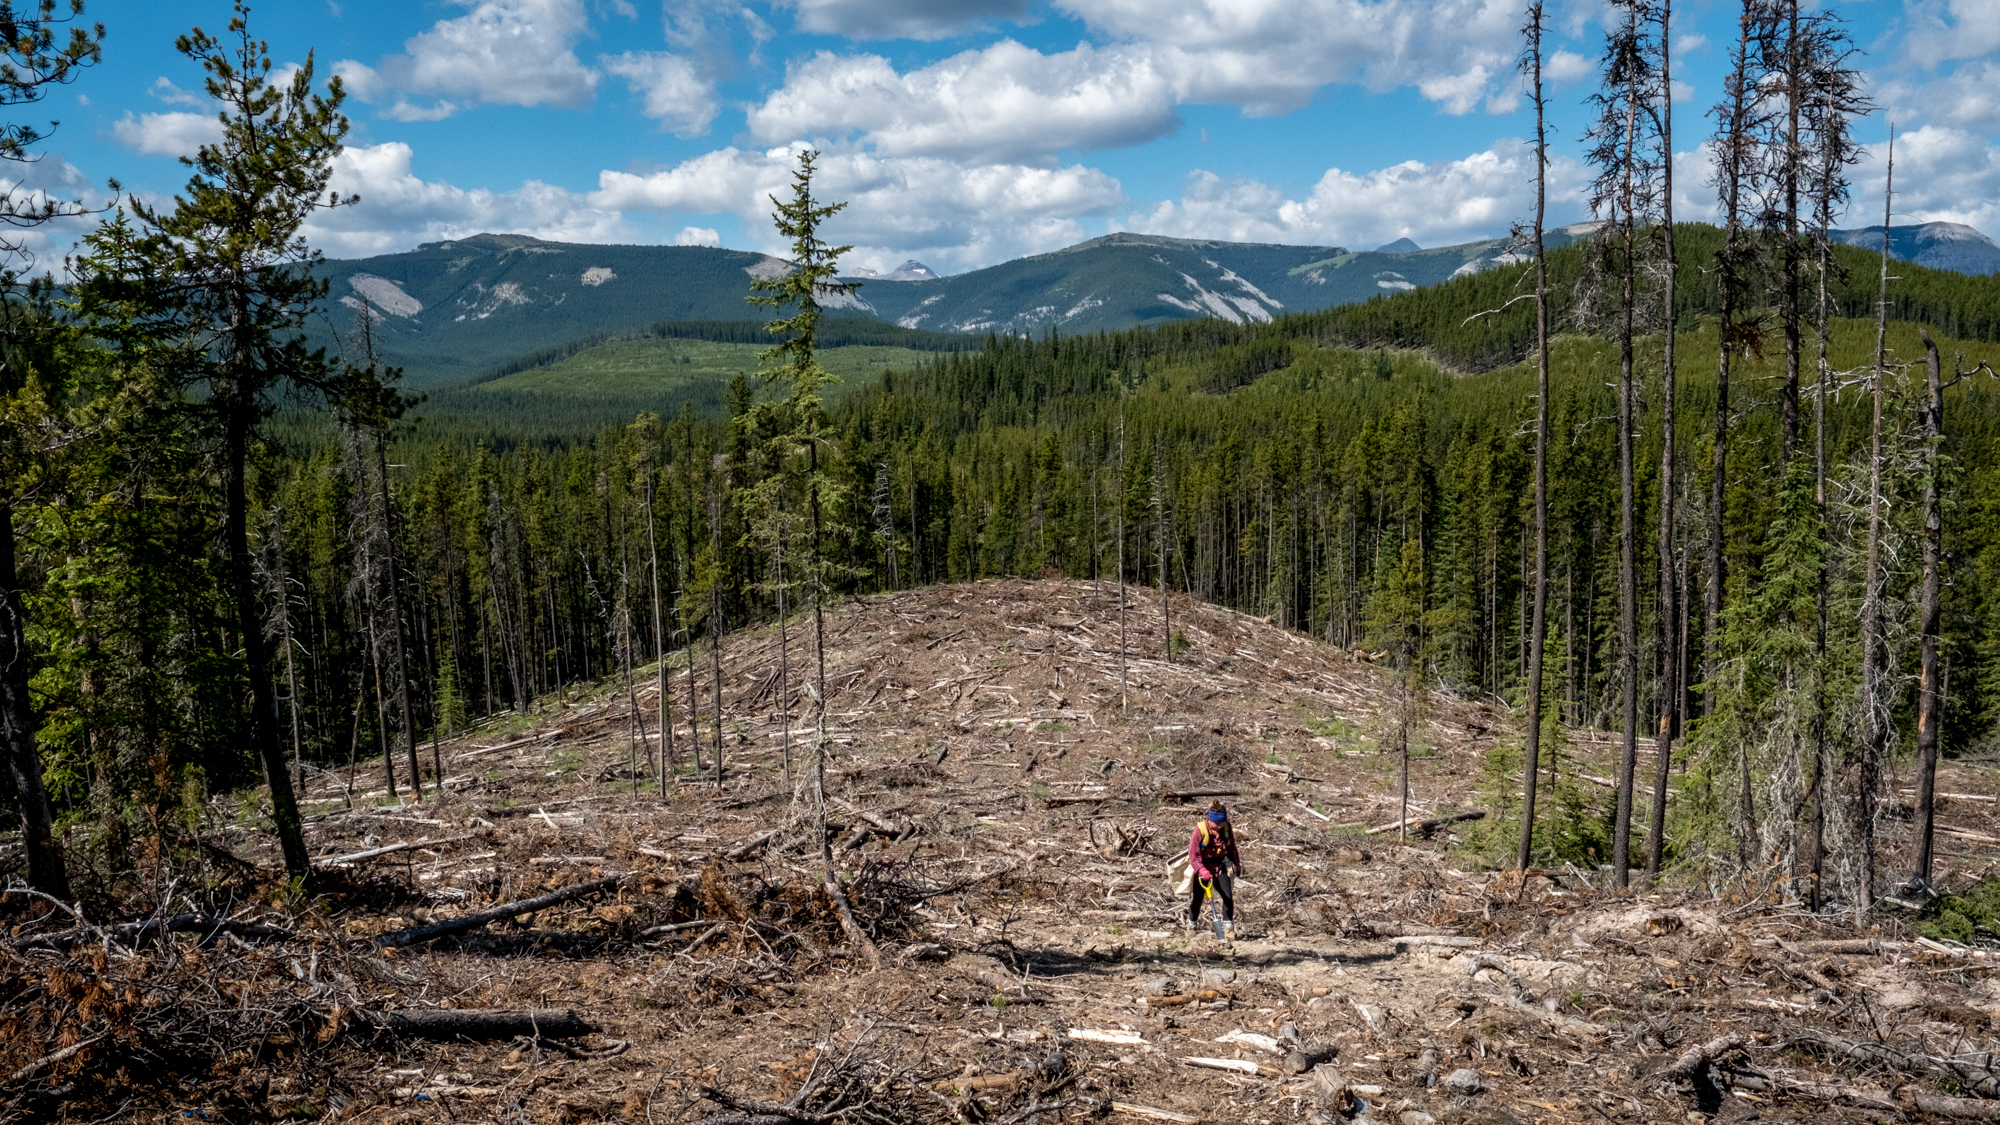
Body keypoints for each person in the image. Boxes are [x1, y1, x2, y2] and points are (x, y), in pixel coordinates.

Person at [1188, 800, 1242, 937]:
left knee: (1228, 897)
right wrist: (1202, 870)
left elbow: (1232, 848)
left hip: (1221, 865)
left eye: (1221, 823)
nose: (1219, 826)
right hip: (1203, 867)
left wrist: (1237, 864)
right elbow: (1193, 855)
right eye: (1216, 824)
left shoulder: (1226, 828)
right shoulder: (1199, 830)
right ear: (1209, 820)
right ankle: (1191, 927)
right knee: (1198, 899)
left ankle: (1229, 929)